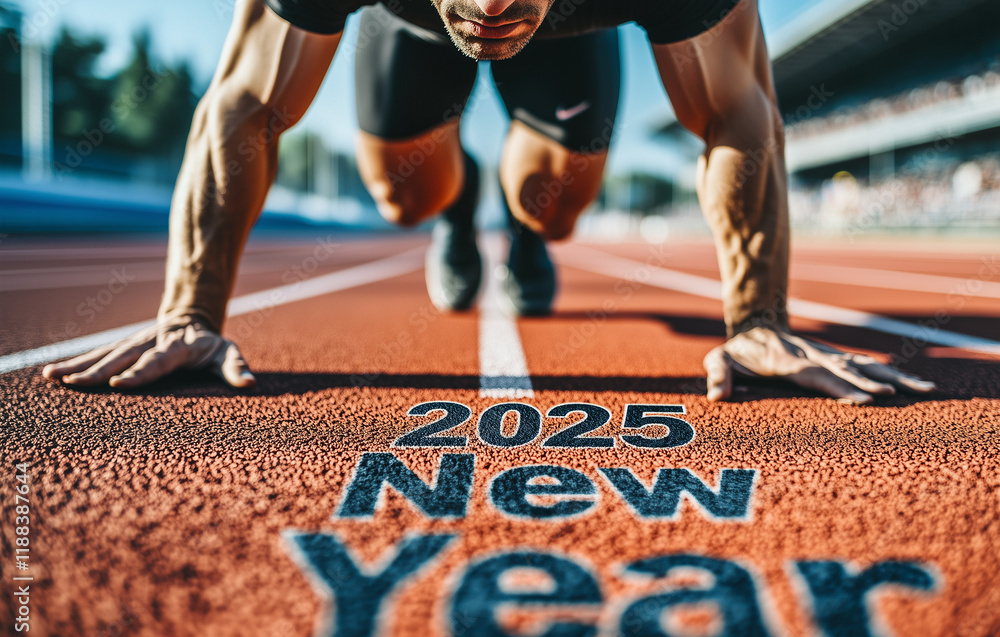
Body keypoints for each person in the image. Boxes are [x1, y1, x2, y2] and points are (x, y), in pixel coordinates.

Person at [42, 0, 936, 405]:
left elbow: (738, 110)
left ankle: (519, 227)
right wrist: (188, 310)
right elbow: (247, 101)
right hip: (408, 32)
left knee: (551, 205)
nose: (495, 5)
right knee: (403, 195)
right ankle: (459, 205)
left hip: (574, 40)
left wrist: (759, 317)